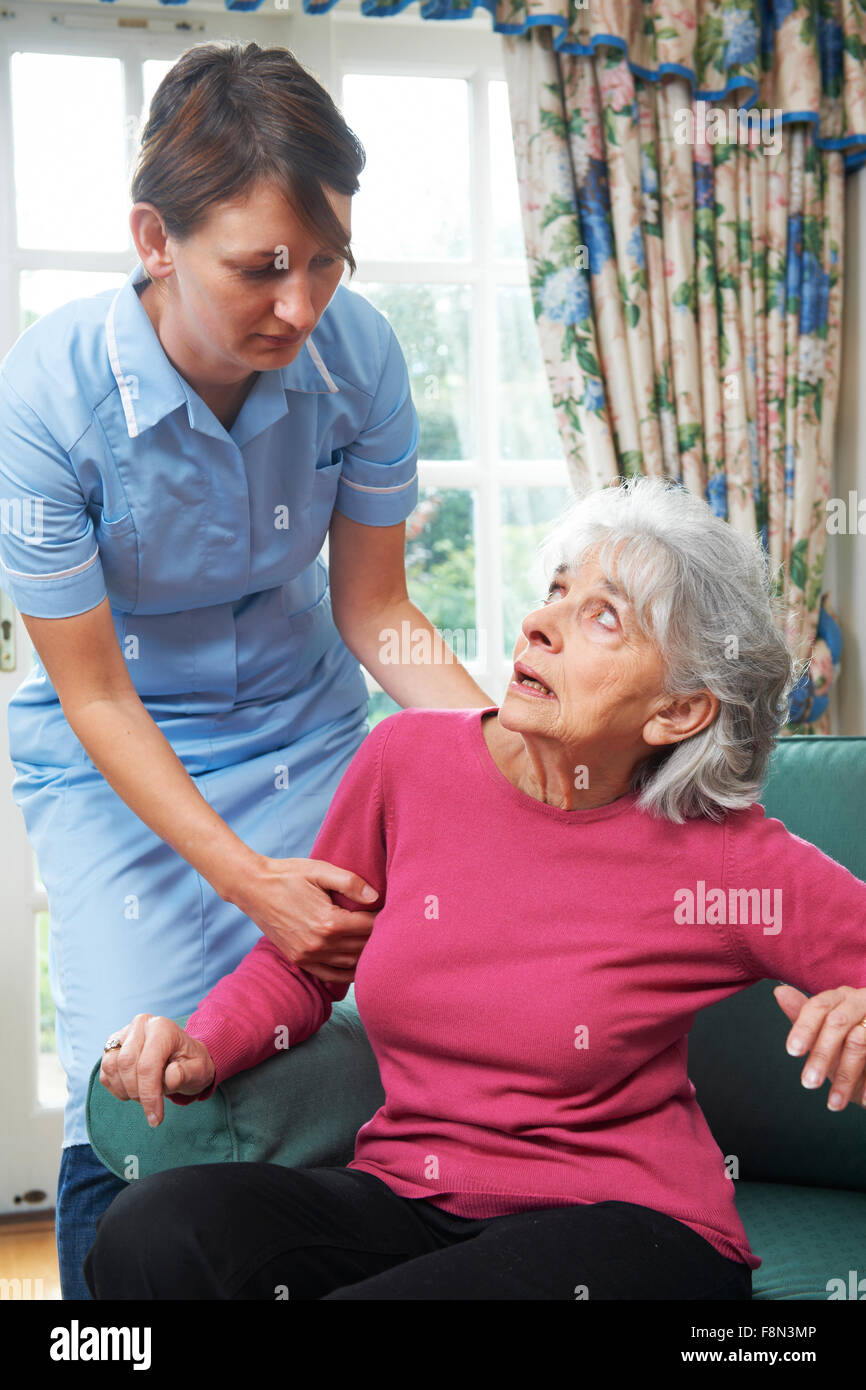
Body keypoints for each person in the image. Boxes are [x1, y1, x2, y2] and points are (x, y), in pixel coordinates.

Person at [84, 477, 866, 1301]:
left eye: (603, 617)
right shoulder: (406, 762)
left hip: (633, 1229)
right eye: (557, 591)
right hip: (406, 1193)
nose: (539, 623)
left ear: (677, 712)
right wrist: (202, 1048)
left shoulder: (729, 861)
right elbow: (307, 960)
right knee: (153, 1233)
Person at [0, 40, 492, 1301]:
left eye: (328, 261)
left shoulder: (359, 359)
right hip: (119, 750)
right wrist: (245, 879)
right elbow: (97, 689)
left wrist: (517, 747)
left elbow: (376, 612)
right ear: (153, 240)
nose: (304, 304)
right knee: (140, 1079)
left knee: (355, 1023)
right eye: (262, 267)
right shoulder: (46, 403)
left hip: (301, 724)